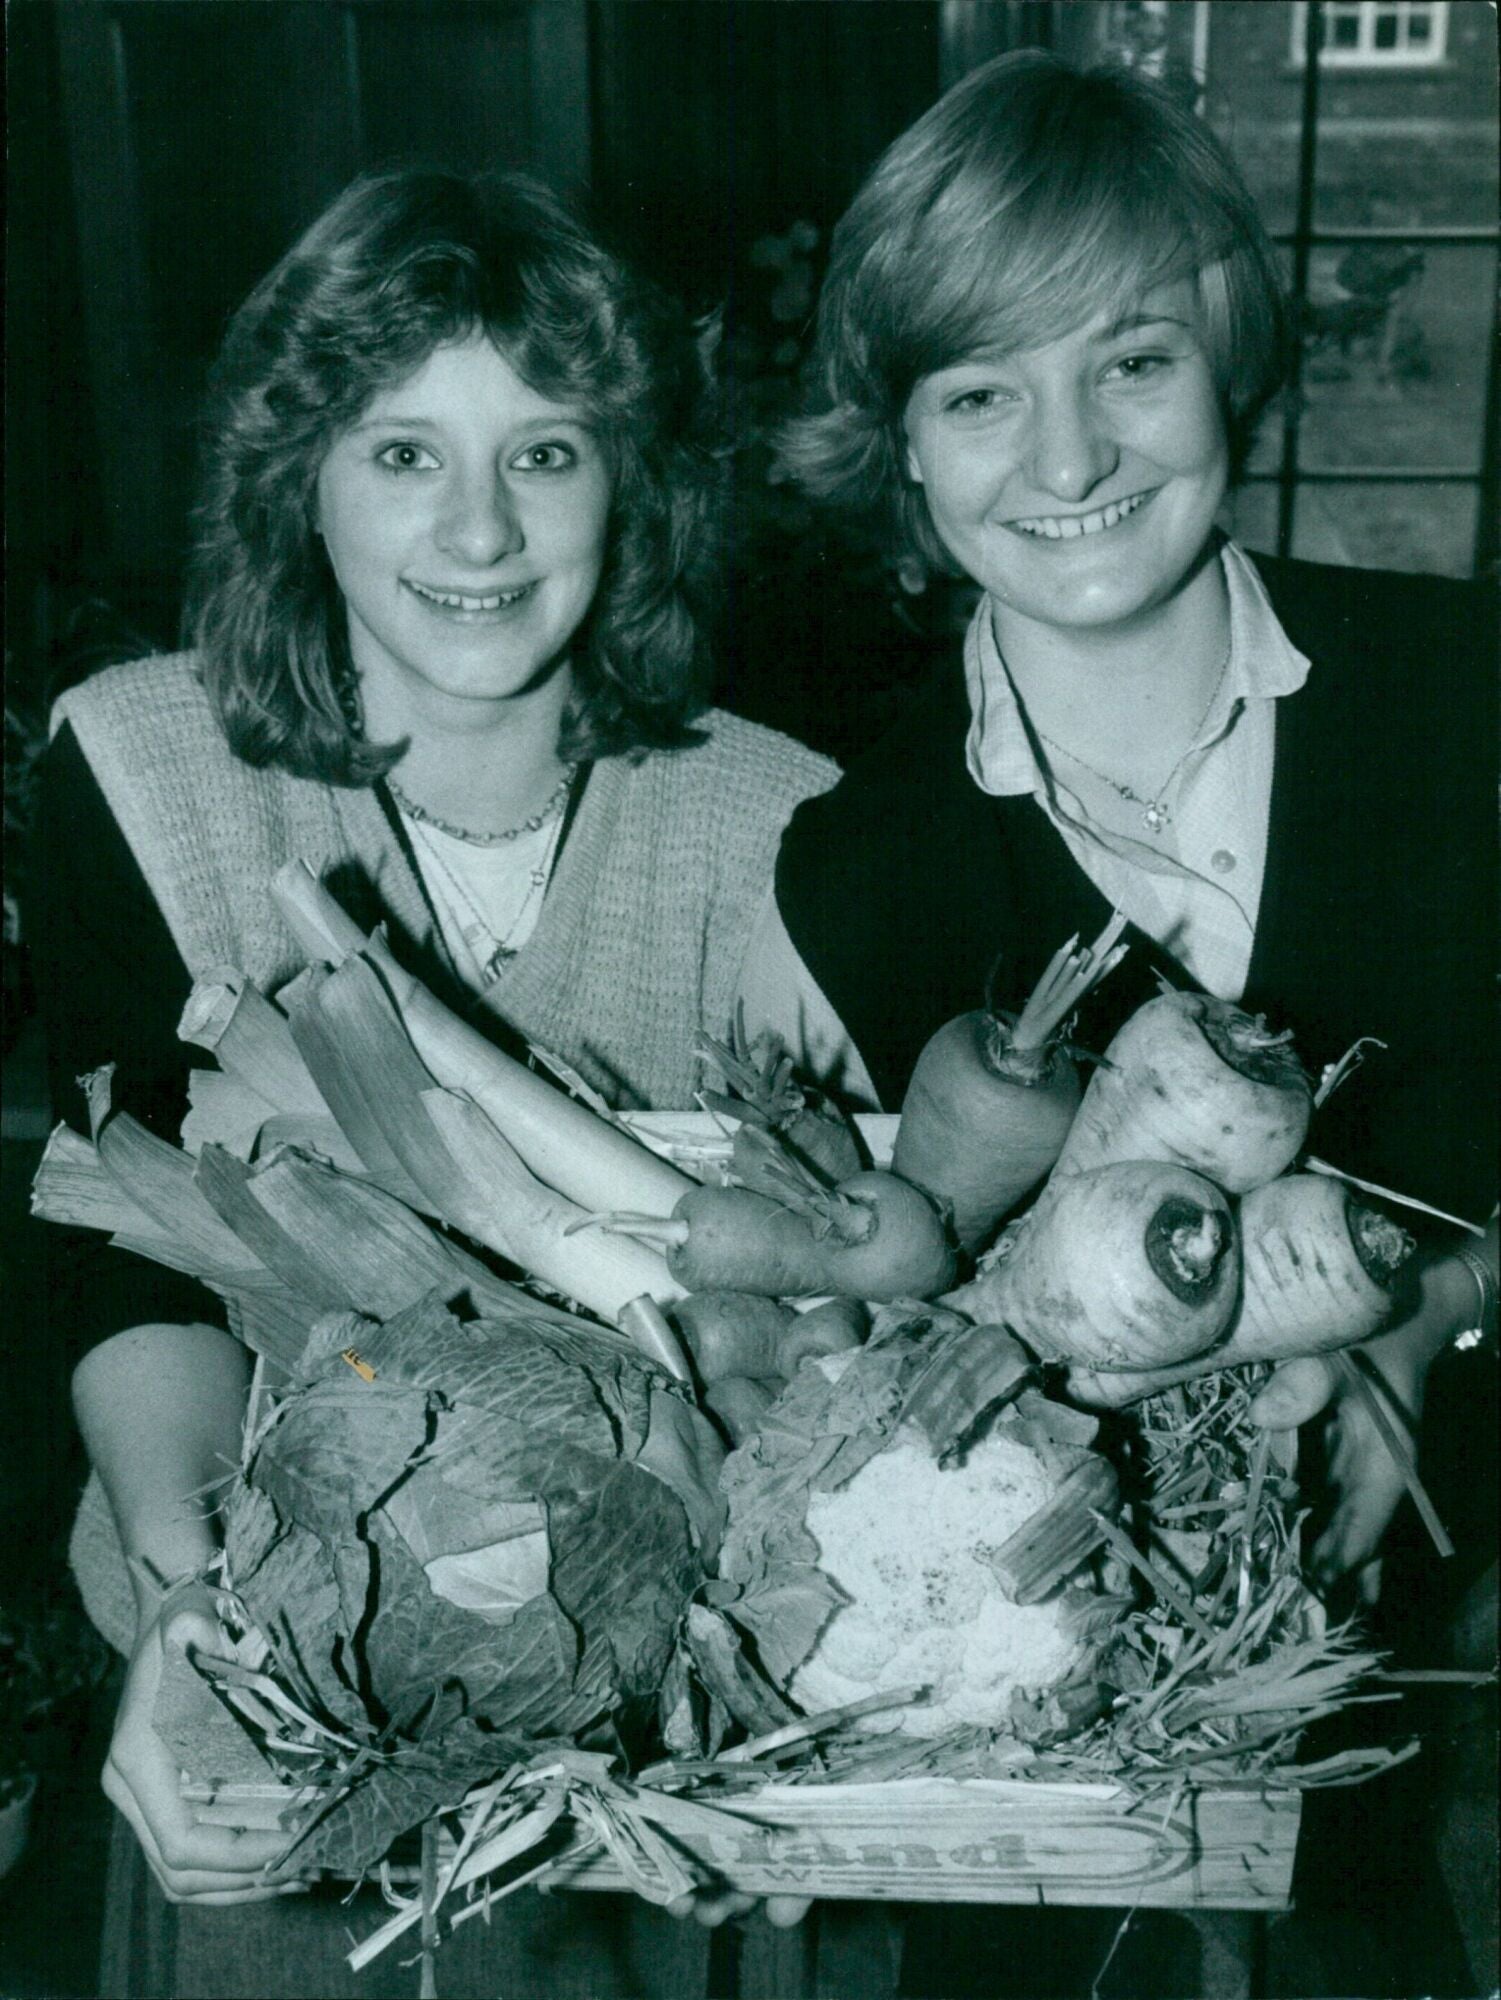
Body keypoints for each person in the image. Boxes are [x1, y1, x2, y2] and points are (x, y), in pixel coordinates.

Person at [38, 167, 833, 1995]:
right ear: (296, 482)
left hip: (658, 1668)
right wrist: (192, 1597)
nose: (479, 528)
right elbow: (119, 1244)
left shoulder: (778, 817)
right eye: (403, 453)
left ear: (632, 484)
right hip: (272, 1648)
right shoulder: (145, 769)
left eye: (544, 453)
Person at [742, 50, 1498, 1602]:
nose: (1069, 456)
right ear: (901, 440)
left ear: (1228, 362)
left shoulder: (1468, 690)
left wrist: (1434, 1305)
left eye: (1131, 361)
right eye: (979, 393)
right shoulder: (844, 876)